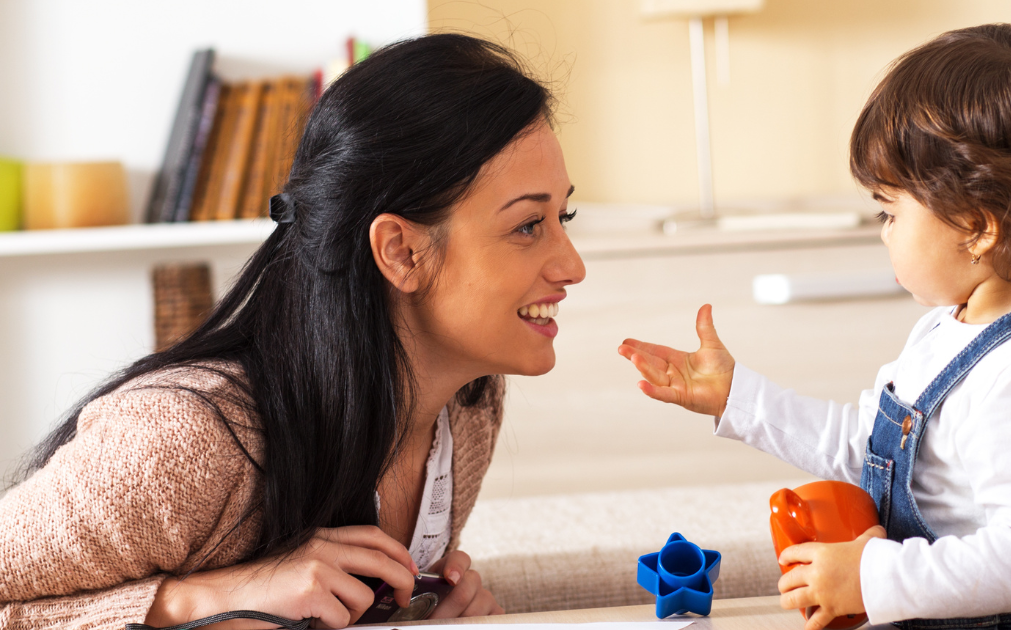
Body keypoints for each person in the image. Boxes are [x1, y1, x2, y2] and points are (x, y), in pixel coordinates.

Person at [0, 33, 585, 629]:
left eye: (563, 216)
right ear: (401, 251)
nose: (573, 267)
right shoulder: (184, 443)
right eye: (528, 225)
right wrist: (194, 605)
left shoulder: (467, 406)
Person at [618, 24, 1011, 630]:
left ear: (977, 227)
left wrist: (871, 576)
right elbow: (873, 449)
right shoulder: (948, 329)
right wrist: (737, 397)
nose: (883, 232)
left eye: (889, 211)